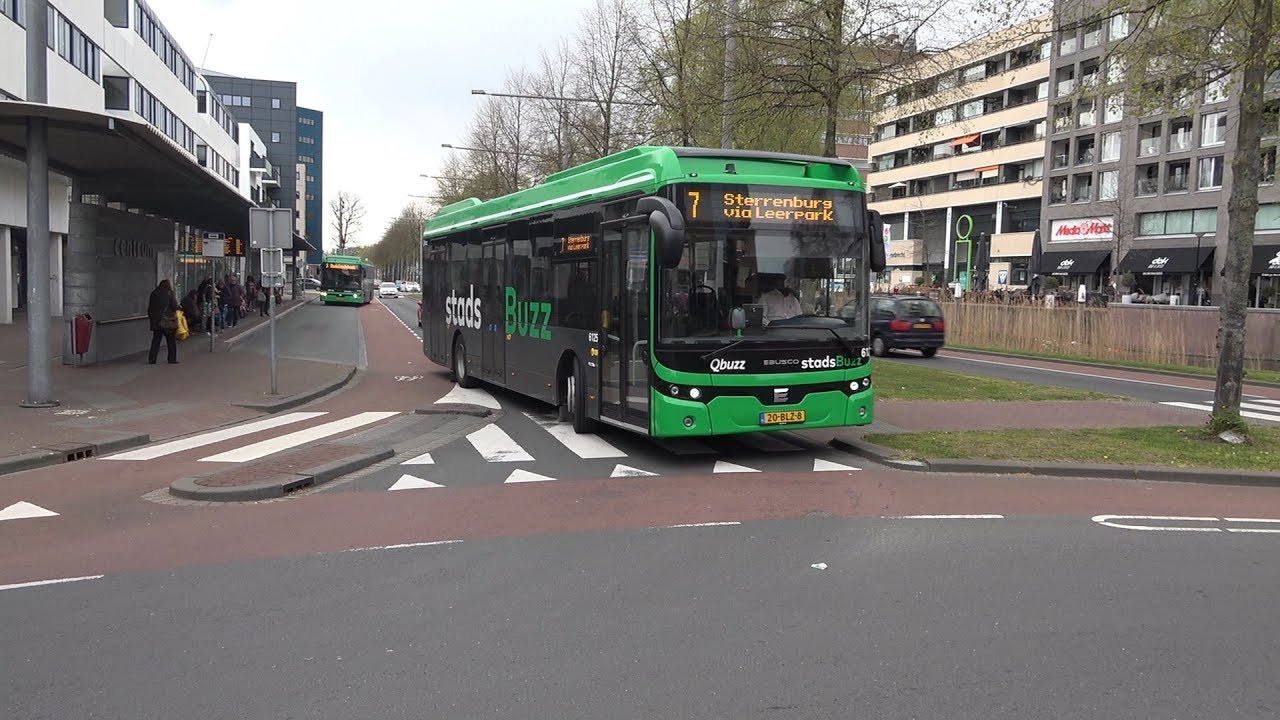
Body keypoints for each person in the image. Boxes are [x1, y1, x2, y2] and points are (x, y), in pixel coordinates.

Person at [147, 279, 179, 364]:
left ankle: (152, 359)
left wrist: (153, 319)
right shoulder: (169, 293)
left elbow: (150, 308)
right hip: (167, 320)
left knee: (156, 341)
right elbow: (174, 306)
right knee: (171, 340)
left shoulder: (154, 293)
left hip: (157, 321)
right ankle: (172, 359)